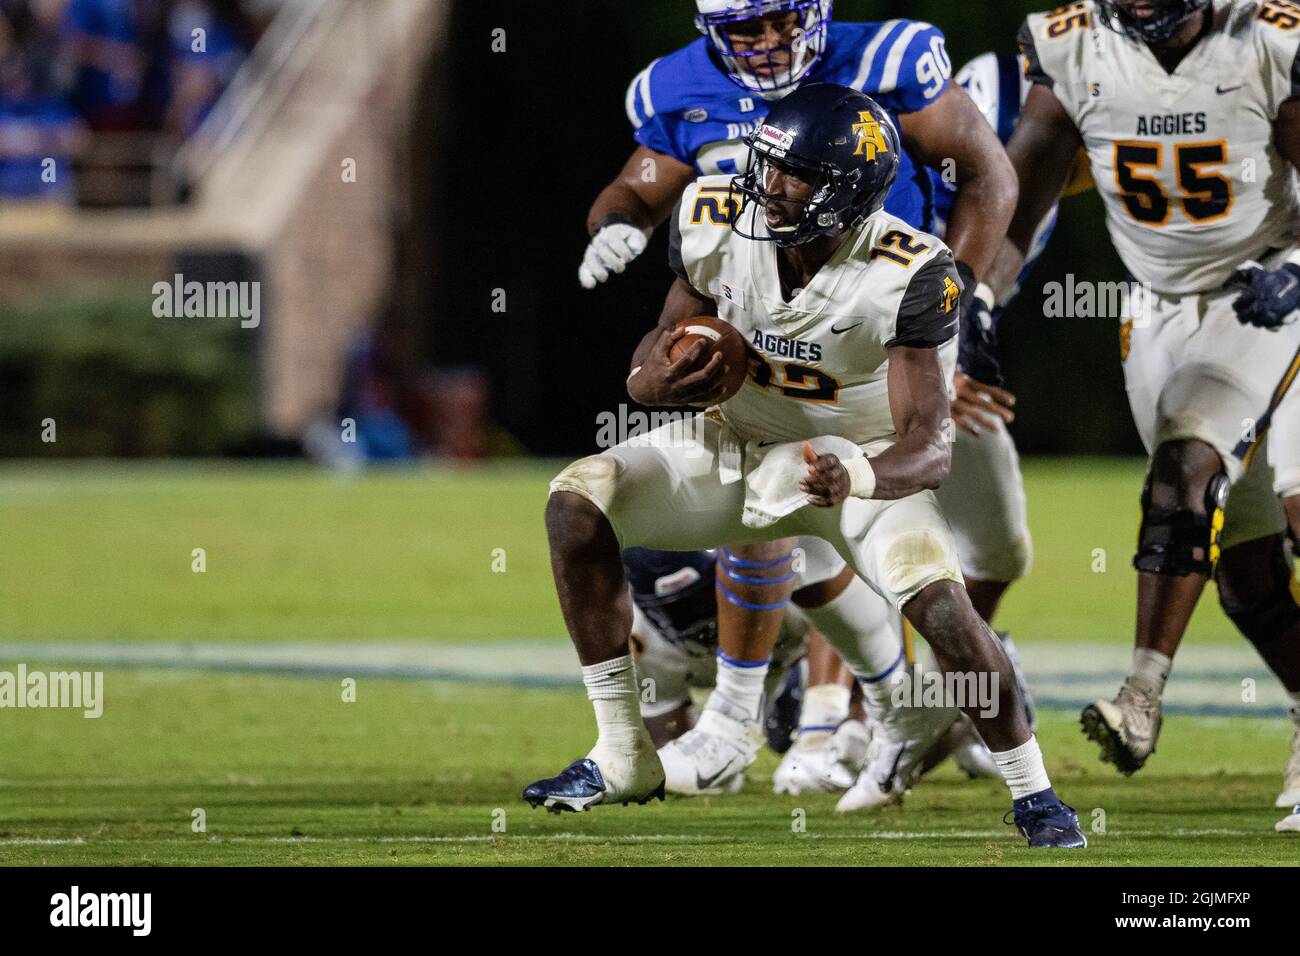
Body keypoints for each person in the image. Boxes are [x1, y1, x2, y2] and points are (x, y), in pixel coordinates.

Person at [525, 83, 1085, 848]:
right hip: (732, 442)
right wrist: (647, 381)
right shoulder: (714, 217)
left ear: (849, 190)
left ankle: (1034, 794)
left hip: (854, 464)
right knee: (576, 501)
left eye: (798, 175)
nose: (773, 187)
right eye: (770, 165)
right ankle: (623, 752)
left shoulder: (913, 271)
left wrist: (856, 479)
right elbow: (660, 343)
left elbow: (930, 445)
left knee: (946, 612)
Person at [1001, 0, 1300, 810]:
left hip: (1277, 281)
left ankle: (1141, 693)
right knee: (1225, 545)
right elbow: (1020, 196)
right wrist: (968, 304)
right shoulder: (1068, 44)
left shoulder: (1271, 34)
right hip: (1162, 305)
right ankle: (1152, 700)